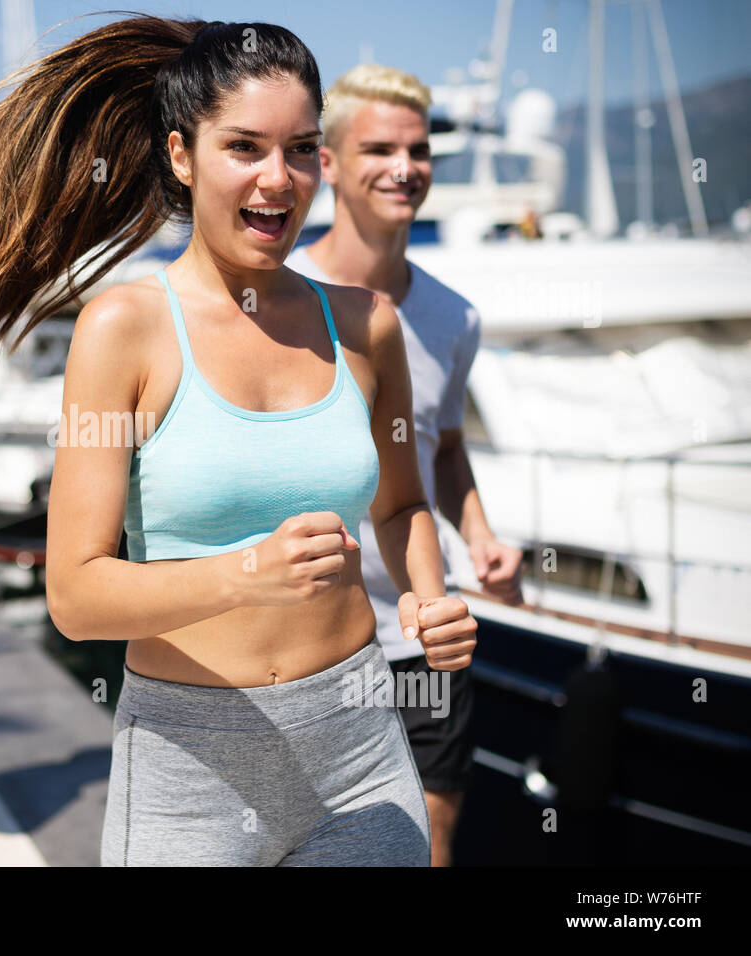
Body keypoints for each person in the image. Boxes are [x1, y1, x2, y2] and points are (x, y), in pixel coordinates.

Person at [0, 15, 478, 866]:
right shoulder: (125, 329)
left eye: (300, 150)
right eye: (244, 147)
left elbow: (399, 505)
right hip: (189, 768)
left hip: (359, 755)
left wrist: (426, 598)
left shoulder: (367, 327)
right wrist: (246, 573)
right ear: (181, 155)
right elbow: (75, 593)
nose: (277, 180)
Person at [285, 64, 525, 866]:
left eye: (418, 149)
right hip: (309, 640)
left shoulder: (453, 316)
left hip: (423, 628)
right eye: (379, 148)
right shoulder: (282, 298)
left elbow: (444, 447)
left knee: (429, 833)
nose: (404, 167)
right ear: (328, 163)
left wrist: (481, 535)